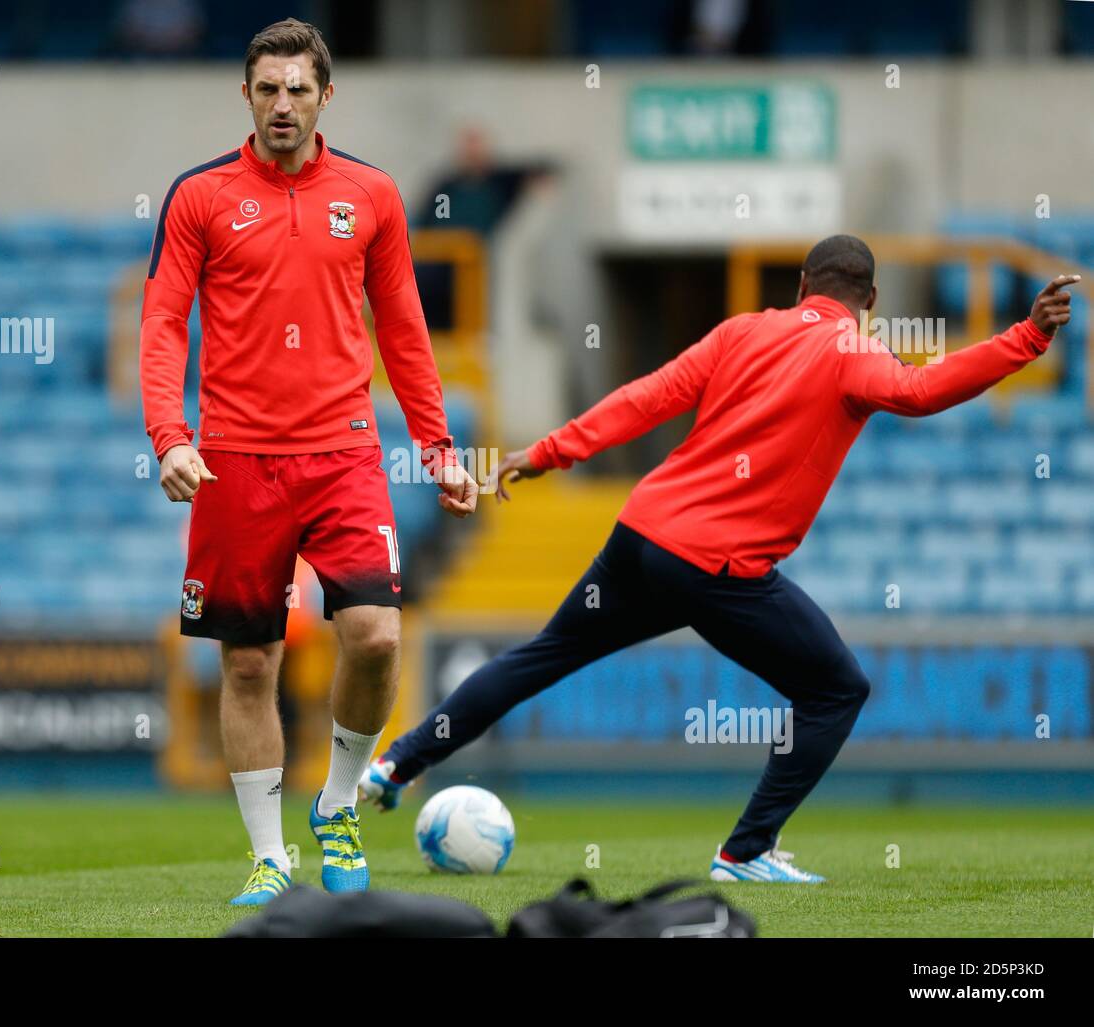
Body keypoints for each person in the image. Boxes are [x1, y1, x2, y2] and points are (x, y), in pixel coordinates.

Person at [361, 235, 1076, 883]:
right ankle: (746, 851)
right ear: (872, 301)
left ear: (802, 284)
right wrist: (1026, 337)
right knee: (836, 689)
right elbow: (921, 391)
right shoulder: (855, 352)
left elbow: (648, 397)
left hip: (641, 536)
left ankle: (398, 761)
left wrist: (551, 450)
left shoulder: (742, 330)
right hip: (714, 562)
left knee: (541, 654)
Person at [140, 18, 478, 906]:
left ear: (328, 96)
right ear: (244, 96)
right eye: (267, 89)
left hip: (344, 453)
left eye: (298, 89)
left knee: (374, 633)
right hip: (234, 461)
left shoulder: (370, 194)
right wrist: (168, 436)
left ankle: (335, 804)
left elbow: (404, 328)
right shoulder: (200, 196)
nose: (282, 104)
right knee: (249, 662)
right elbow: (164, 323)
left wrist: (437, 447)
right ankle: (267, 855)